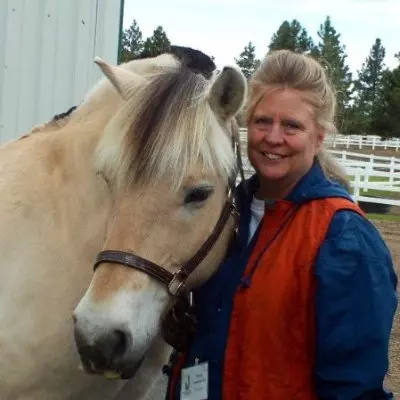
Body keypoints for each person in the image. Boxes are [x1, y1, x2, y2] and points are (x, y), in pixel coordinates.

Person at [164, 49, 398, 400]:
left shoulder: (343, 237)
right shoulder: (223, 212)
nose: (273, 137)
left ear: (318, 138)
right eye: (262, 121)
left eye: (292, 126)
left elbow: (353, 387)